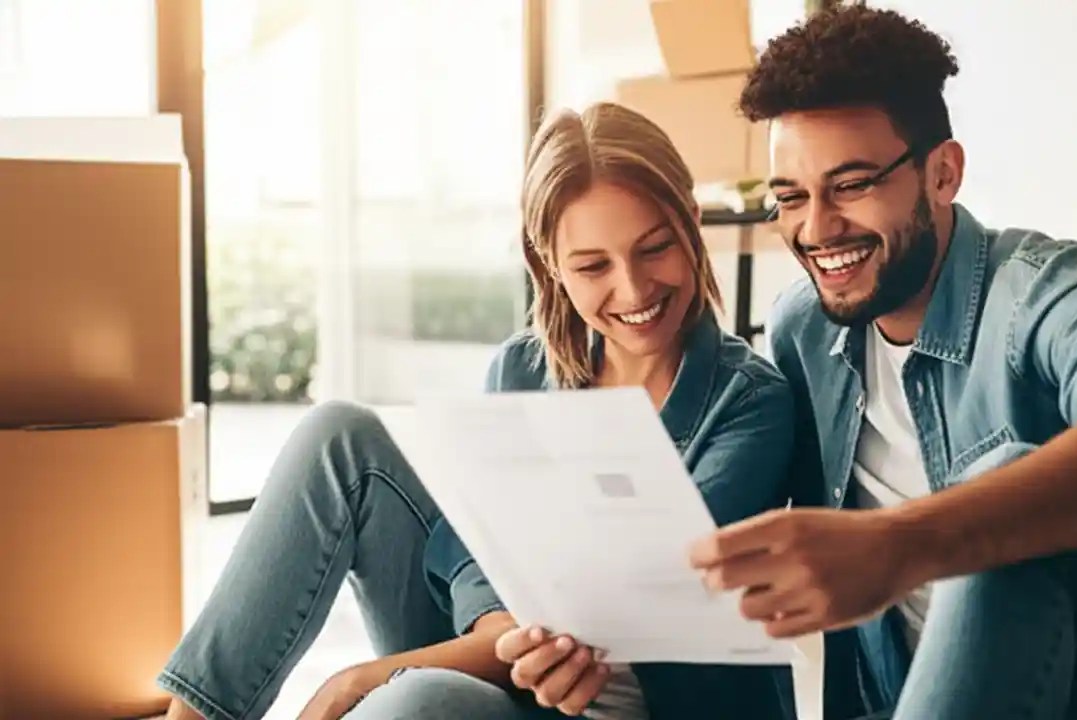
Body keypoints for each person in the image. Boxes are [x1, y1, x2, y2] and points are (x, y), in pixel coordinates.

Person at [686, 6, 1077, 720]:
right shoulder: (802, 329)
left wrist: (903, 544)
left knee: (1002, 488)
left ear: (943, 173)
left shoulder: (1043, 290)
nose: (816, 229)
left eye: (851, 185)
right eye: (791, 197)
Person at [159, 102, 796, 720]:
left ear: (690, 221)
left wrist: (360, 679)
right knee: (338, 438)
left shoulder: (751, 403)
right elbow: (468, 547)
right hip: (502, 661)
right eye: (593, 265)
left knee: (413, 701)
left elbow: (626, 607)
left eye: (655, 247)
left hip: (616, 700)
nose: (632, 289)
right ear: (548, 263)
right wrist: (497, 629)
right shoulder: (520, 369)